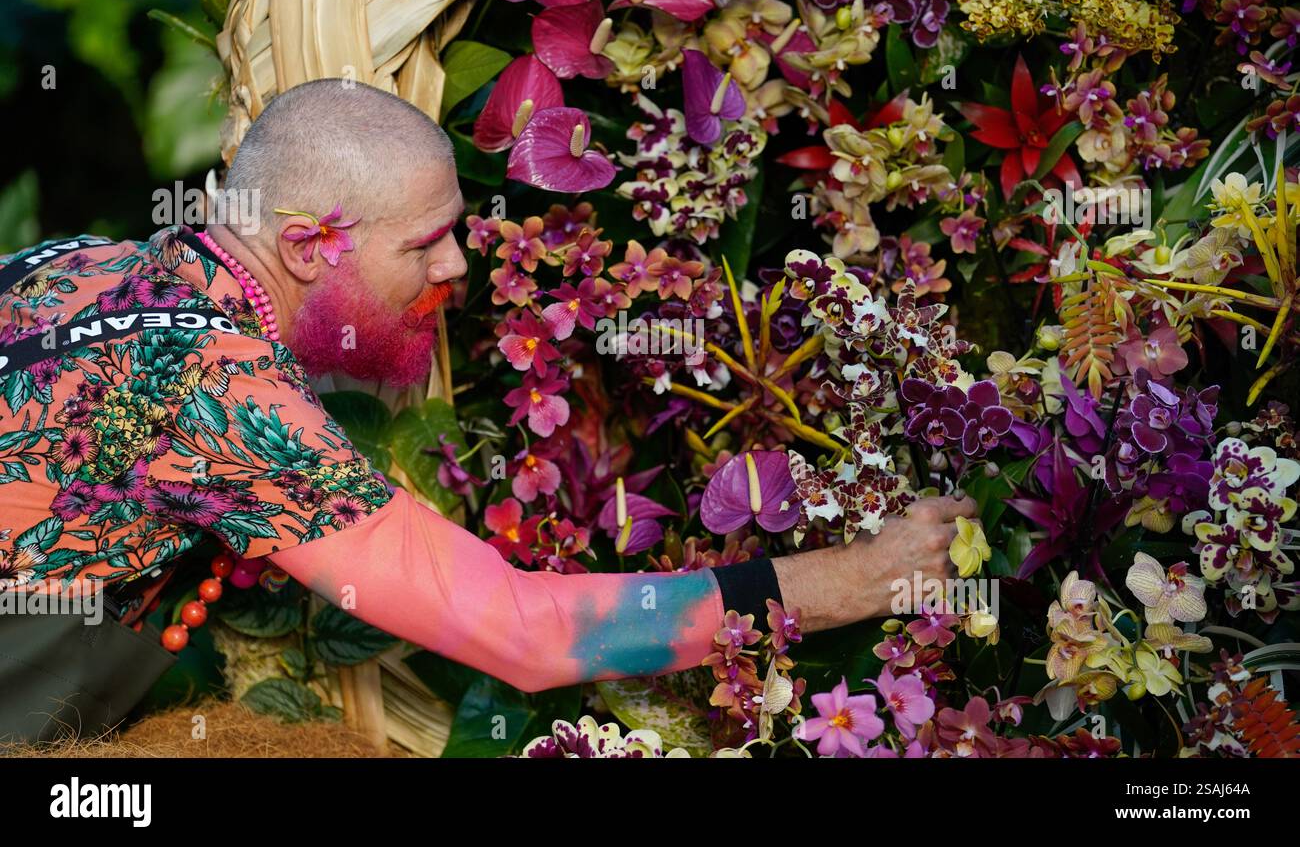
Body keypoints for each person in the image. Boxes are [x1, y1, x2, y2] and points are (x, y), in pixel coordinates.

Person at [0, 79, 971, 727]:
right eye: (424, 243)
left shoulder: (78, 264)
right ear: (307, 248)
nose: (458, 268)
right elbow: (533, 635)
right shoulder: (223, 397)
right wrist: (858, 580)